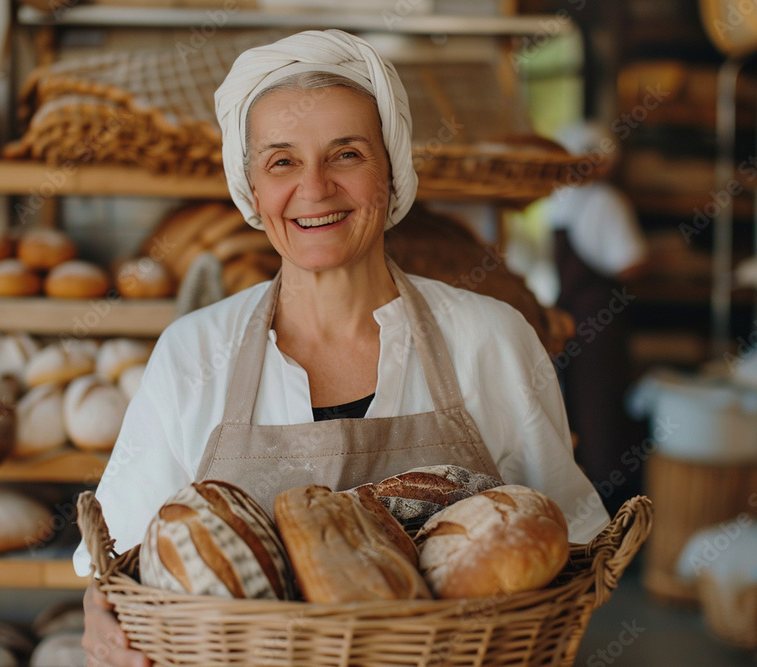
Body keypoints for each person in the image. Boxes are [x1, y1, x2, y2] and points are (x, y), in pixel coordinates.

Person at [76, 29, 610, 667]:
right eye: (282, 161)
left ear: (393, 168)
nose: (316, 187)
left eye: (347, 154)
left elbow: (574, 555)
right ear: (250, 186)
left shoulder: (491, 338)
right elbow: (119, 559)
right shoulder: (193, 352)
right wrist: (97, 611)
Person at [547, 121, 650, 515]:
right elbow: (630, 264)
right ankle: (613, 510)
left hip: (568, 321)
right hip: (601, 326)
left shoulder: (561, 200)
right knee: (603, 413)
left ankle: (581, 504)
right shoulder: (607, 201)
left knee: (577, 411)